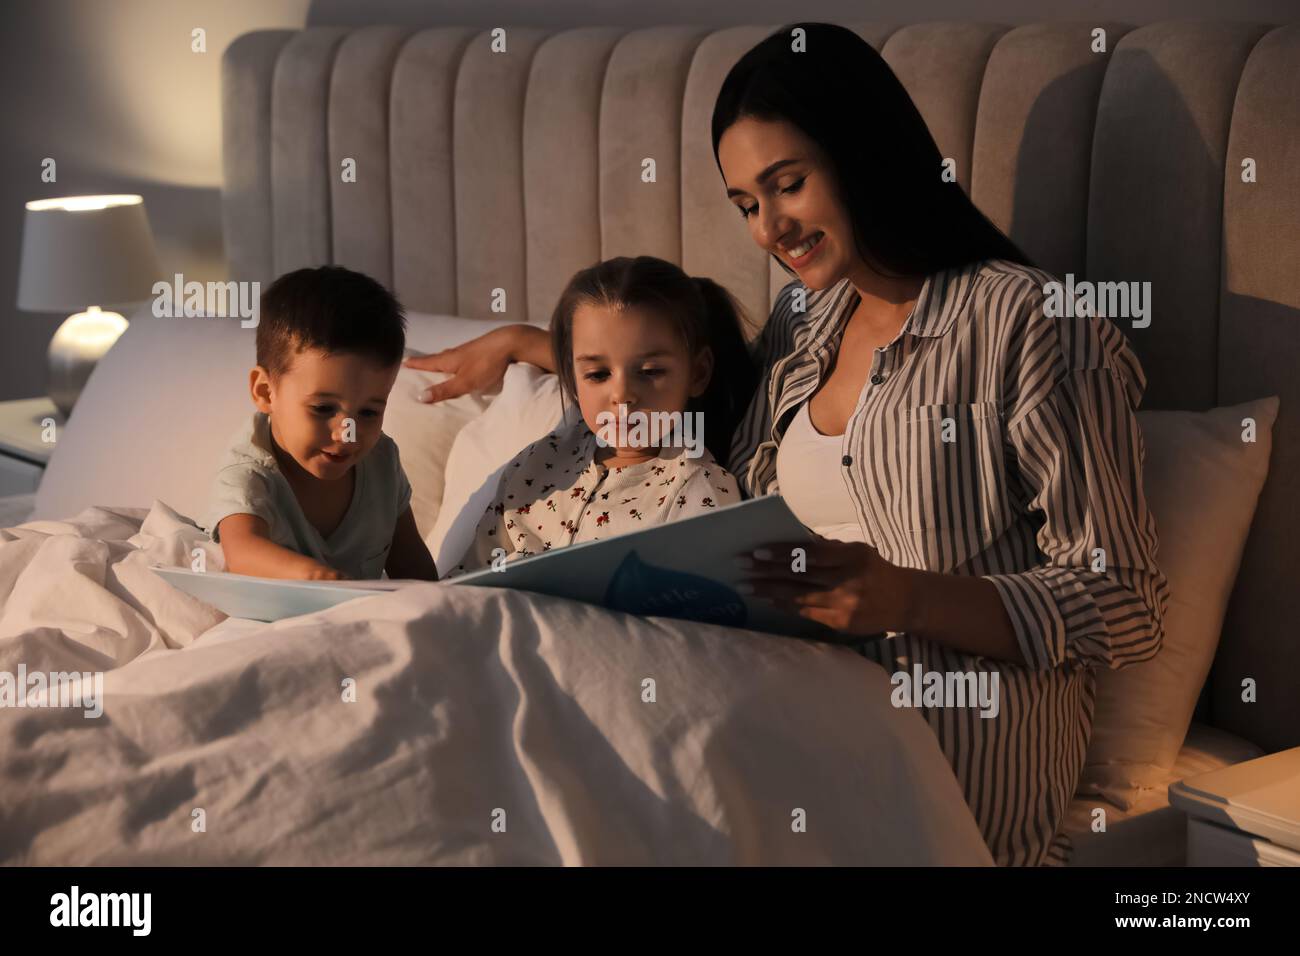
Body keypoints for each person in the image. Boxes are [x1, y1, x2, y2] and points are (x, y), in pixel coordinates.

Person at [405, 23, 1168, 867]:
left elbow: (1127, 601)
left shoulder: (1029, 323)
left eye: (788, 185)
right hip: (764, 729)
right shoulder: (806, 322)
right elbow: (674, 380)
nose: (769, 227)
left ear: (862, 152)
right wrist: (528, 343)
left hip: (938, 771)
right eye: (746, 205)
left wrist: (907, 601)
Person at [446, 256, 753, 575]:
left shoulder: (699, 493)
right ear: (573, 379)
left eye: (650, 371)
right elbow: (466, 584)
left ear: (698, 373)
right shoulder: (536, 464)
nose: (621, 395)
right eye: (597, 374)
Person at [203, 265, 438, 582]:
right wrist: (318, 578)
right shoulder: (249, 472)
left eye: (369, 412)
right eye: (323, 408)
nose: (347, 433)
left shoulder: (381, 462)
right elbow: (243, 551)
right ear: (264, 392)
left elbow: (413, 567)